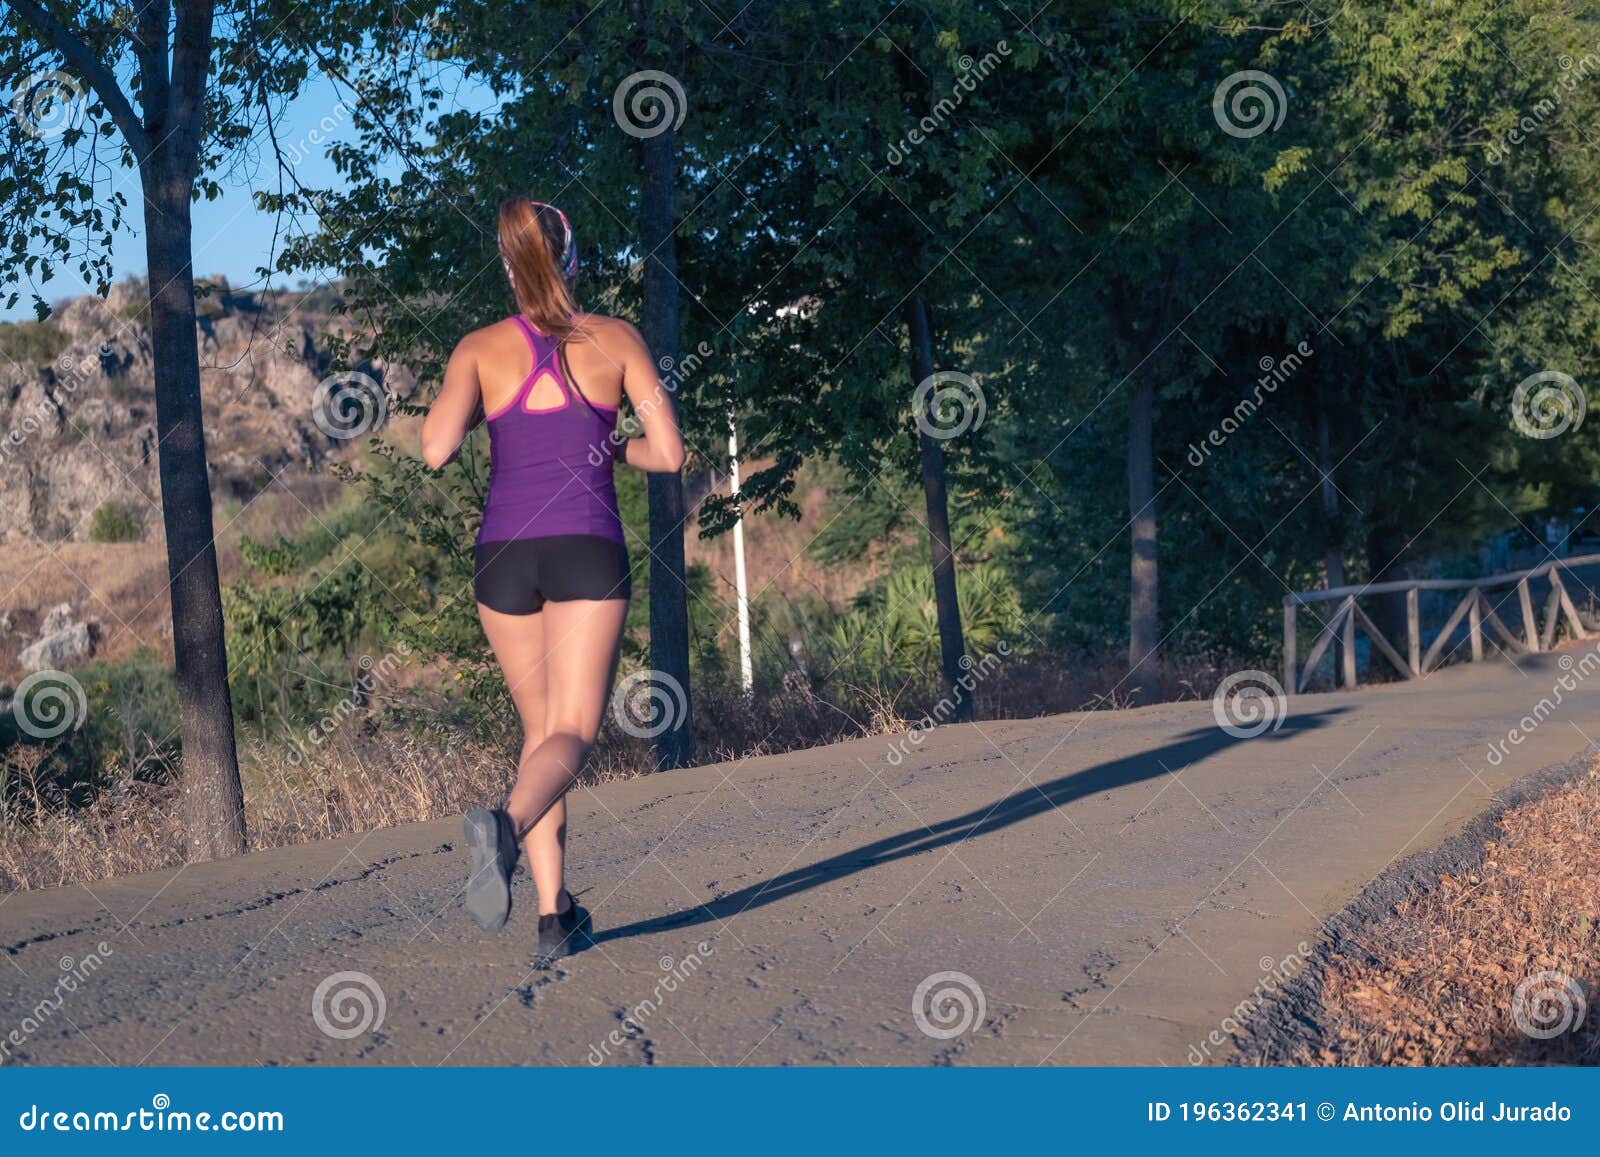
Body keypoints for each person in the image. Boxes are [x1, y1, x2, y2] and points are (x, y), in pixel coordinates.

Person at [421, 198, 685, 965]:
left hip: (503, 557)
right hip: (585, 551)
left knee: (543, 738)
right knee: (572, 733)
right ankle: (503, 828)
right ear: (575, 259)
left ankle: (553, 912)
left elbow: (436, 448)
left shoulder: (478, 347)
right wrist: (608, 445)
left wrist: (483, 409)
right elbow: (668, 453)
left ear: (510, 268)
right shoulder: (618, 338)